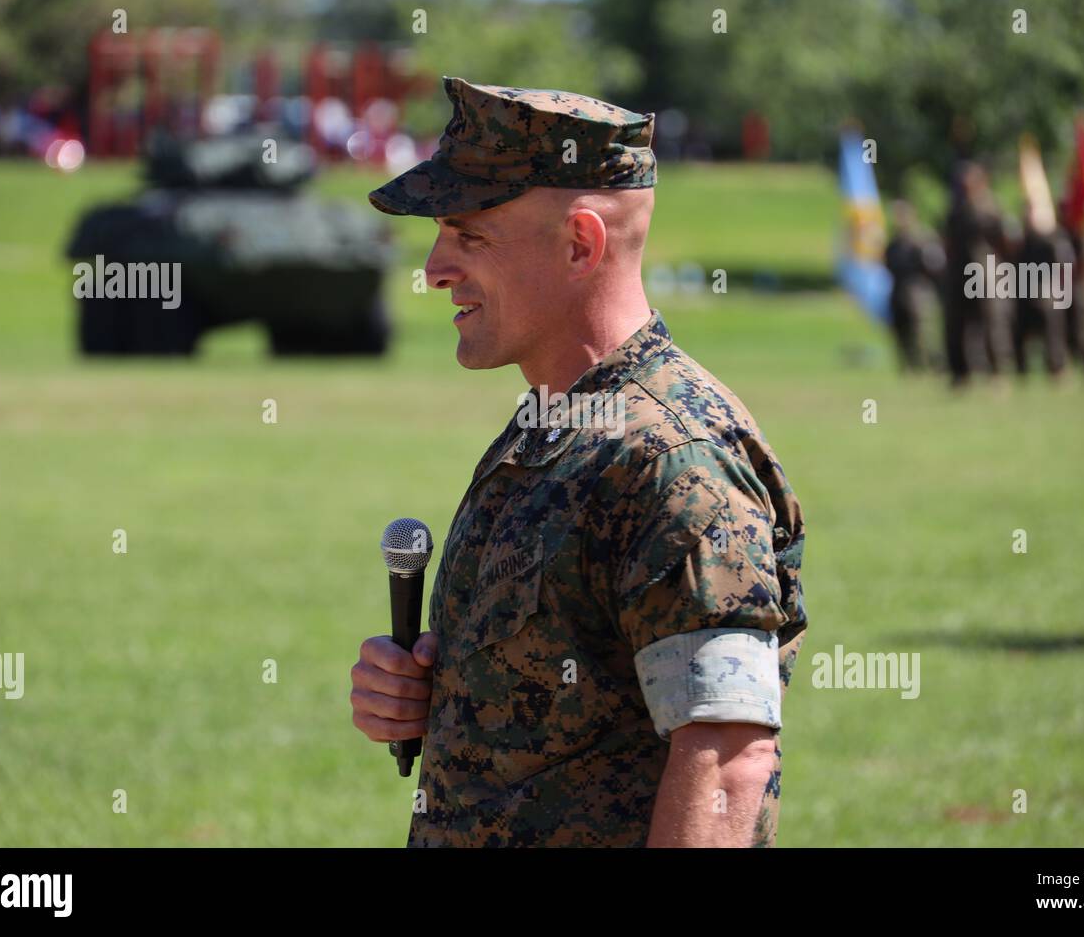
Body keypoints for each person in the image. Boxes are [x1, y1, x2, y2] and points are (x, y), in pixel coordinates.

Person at [349, 77, 809, 846]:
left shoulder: (673, 457)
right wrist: (436, 692)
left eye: (469, 236)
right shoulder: (554, 422)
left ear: (580, 244)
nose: (432, 269)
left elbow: (727, 761)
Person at [942, 162, 1012, 385]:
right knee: (957, 323)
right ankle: (960, 375)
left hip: (986, 272)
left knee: (993, 323)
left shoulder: (992, 209)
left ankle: (998, 372)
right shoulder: (957, 209)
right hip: (959, 272)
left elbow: (1006, 242)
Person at [1013, 195, 1073, 377]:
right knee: (1019, 330)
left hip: (1047, 290)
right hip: (1023, 289)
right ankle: (1021, 369)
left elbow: (1063, 262)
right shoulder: (1022, 239)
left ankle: (1057, 368)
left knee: (1053, 332)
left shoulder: (1054, 238)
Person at [884, 200, 943, 371]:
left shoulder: (923, 238)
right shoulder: (894, 242)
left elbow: (935, 265)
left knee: (924, 335)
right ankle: (909, 368)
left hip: (919, 293)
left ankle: (929, 367)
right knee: (901, 334)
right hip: (898, 292)